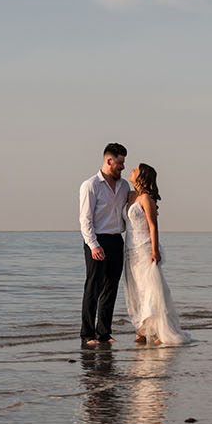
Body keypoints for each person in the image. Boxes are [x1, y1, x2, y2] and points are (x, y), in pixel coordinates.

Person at [124, 163, 191, 345]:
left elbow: (153, 226)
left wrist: (154, 251)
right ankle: (142, 330)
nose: (131, 170)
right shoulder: (130, 195)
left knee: (152, 289)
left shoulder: (146, 199)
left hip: (145, 249)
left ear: (142, 177)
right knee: (136, 290)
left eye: (135, 170)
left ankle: (161, 330)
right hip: (130, 251)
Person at [79, 143, 130, 346]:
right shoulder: (90, 185)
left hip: (117, 240)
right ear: (109, 161)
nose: (123, 167)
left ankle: (104, 332)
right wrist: (93, 245)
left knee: (111, 288)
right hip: (97, 240)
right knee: (93, 288)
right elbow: (85, 219)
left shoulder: (124, 186)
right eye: (120, 162)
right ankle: (87, 334)